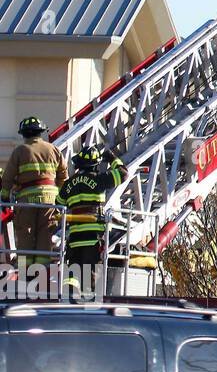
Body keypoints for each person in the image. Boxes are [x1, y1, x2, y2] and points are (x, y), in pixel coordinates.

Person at [56, 146, 126, 294]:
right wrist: (112, 158)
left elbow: (59, 203)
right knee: (90, 282)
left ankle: (69, 299)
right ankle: (88, 304)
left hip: (74, 239)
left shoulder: (69, 184)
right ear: (96, 164)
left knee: (72, 276)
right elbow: (123, 173)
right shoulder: (100, 179)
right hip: (93, 239)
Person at [2, 116, 67, 276]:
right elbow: (63, 176)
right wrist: (58, 196)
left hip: (27, 201)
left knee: (26, 233)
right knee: (45, 234)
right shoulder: (53, 149)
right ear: (41, 132)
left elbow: (8, 177)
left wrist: (5, 196)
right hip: (50, 201)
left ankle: (25, 273)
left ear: (24, 134)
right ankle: (41, 271)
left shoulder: (20, 151)